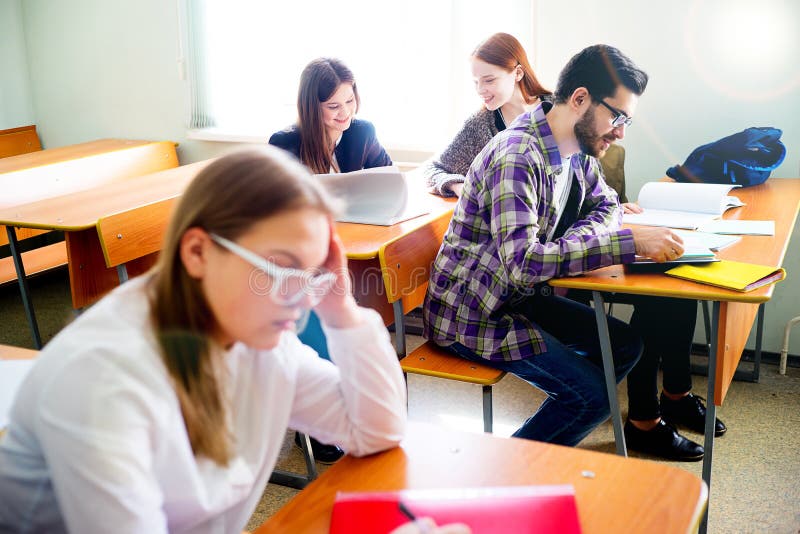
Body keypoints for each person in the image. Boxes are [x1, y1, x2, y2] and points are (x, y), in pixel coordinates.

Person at [0, 148, 407, 532]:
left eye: (312, 273)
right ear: (197, 252)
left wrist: (341, 309)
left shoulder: (254, 335)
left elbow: (377, 431)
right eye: (283, 268)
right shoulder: (102, 380)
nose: (302, 300)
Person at [423, 43, 711, 454]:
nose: (621, 131)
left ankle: (543, 447)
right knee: (591, 398)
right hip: (471, 315)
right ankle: (505, 471)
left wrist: (574, 243)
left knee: (626, 346)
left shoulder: (575, 148)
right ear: (579, 99)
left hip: (515, 297)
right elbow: (525, 264)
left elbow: (608, 205)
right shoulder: (517, 156)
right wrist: (627, 243)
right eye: (618, 116)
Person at [269, 57, 393, 463]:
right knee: (319, 308)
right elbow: (275, 208)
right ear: (312, 106)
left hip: (350, 245)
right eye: (333, 106)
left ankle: (355, 398)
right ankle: (321, 419)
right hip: (298, 254)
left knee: (357, 303)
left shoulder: (362, 132)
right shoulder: (284, 143)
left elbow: (388, 181)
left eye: (350, 101)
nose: (345, 114)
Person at [425, 32, 551, 198]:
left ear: (518, 73)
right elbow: (433, 170)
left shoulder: (558, 108)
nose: (480, 90)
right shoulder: (480, 125)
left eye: (489, 80)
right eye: (476, 82)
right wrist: (459, 186)